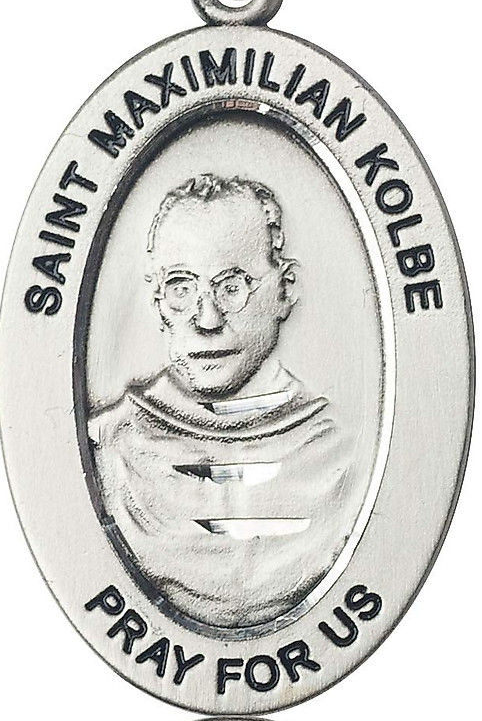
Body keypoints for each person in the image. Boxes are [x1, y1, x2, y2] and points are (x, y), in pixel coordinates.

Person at [89, 174, 354, 628]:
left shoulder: (340, 454)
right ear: (156, 300)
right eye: (181, 288)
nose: (207, 319)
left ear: (285, 290)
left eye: (232, 287)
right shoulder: (108, 448)